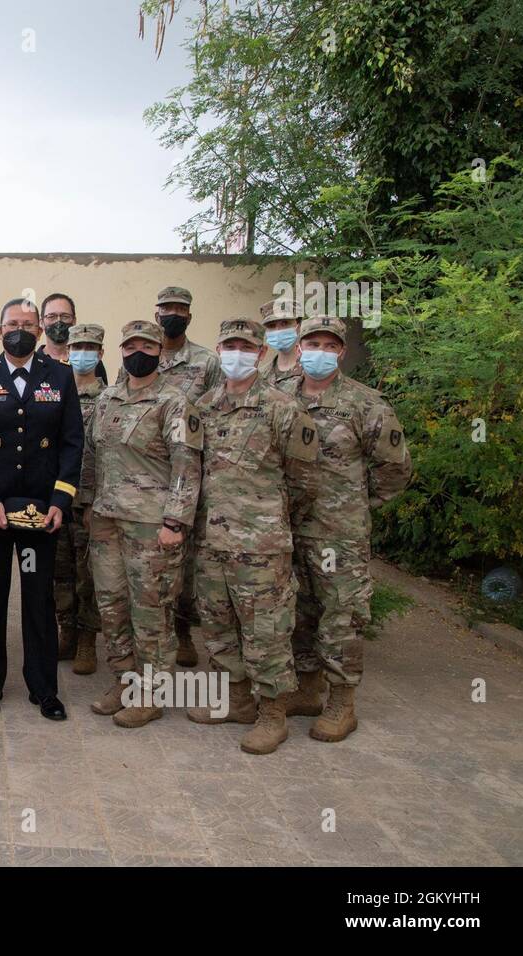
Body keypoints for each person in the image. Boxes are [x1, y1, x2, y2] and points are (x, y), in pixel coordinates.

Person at [185, 318, 321, 754]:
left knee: (266, 631)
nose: (236, 353)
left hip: (262, 547)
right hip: (211, 542)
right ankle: (238, 701)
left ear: (261, 353)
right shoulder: (203, 407)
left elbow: (303, 480)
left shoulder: (284, 408)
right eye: (229, 345)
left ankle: (273, 714)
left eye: (246, 346)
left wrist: (271, 519)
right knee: (219, 628)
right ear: (219, 351)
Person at [279, 314, 412, 741]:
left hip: (340, 534)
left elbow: (395, 470)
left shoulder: (367, 404)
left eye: (329, 344)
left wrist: (356, 502)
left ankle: (342, 701)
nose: (319, 350)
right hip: (288, 526)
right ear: (299, 349)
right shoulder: (279, 397)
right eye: (311, 342)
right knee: (299, 611)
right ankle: (306, 687)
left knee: (341, 616)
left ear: (341, 351)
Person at [0, 298, 84, 721]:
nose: (20, 330)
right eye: (12, 324)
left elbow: (71, 443)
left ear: (39, 332)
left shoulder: (60, 377)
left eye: (28, 325)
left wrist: (61, 500)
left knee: (38, 599)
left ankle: (44, 687)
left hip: (39, 514)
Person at [87, 320, 202, 727]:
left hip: (152, 527)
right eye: (131, 344)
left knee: (151, 610)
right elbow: (91, 457)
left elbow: (187, 468)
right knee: (112, 605)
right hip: (106, 522)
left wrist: (176, 522)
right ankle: (123, 678)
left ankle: (152, 692)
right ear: (121, 349)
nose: (138, 352)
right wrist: (87, 505)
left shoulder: (174, 402)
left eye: (147, 346)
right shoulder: (108, 399)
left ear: (159, 352)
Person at [127, 286, 223, 670]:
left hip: (189, 472)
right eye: (166, 308)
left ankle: (182, 634)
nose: (173, 314)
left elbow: (218, 411)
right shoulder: (139, 357)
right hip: (144, 484)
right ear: (156, 314)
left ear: (189, 315)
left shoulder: (206, 362)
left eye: (180, 309)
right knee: (152, 576)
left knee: (181, 567)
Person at [61, 323, 105, 675]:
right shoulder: (54, 392)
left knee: (86, 573)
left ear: (101, 354)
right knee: (59, 571)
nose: (83, 353)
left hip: (87, 500)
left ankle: (88, 640)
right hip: (54, 497)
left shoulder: (109, 398)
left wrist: (90, 500)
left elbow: (102, 455)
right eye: (77, 347)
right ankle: (67, 631)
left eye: (90, 347)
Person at [40, 292, 107, 384]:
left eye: (65, 316)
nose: (58, 321)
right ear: (41, 323)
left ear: (74, 321)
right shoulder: (33, 362)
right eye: (51, 316)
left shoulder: (90, 361)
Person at [258, 297, 304, 385]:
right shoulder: (261, 376)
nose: (278, 330)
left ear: (299, 326)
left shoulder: (311, 373)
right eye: (271, 325)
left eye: (285, 323)